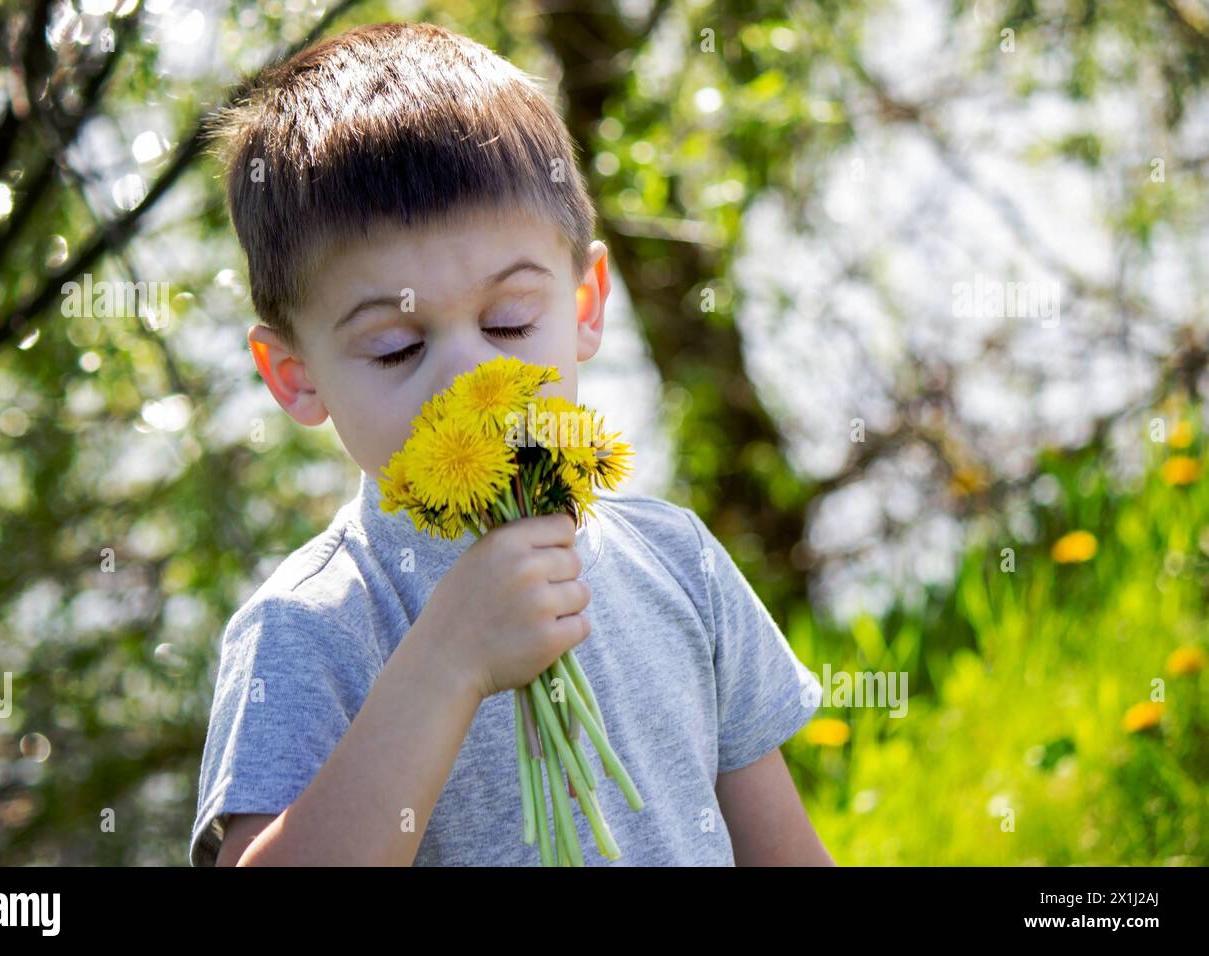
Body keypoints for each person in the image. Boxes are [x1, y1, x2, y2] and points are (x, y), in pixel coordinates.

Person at [190, 20, 833, 867]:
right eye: (397, 346)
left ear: (587, 305)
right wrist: (447, 661)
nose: (467, 376)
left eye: (509, 321)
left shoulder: (680, 564)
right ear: (295, 374)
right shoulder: (309, 631)